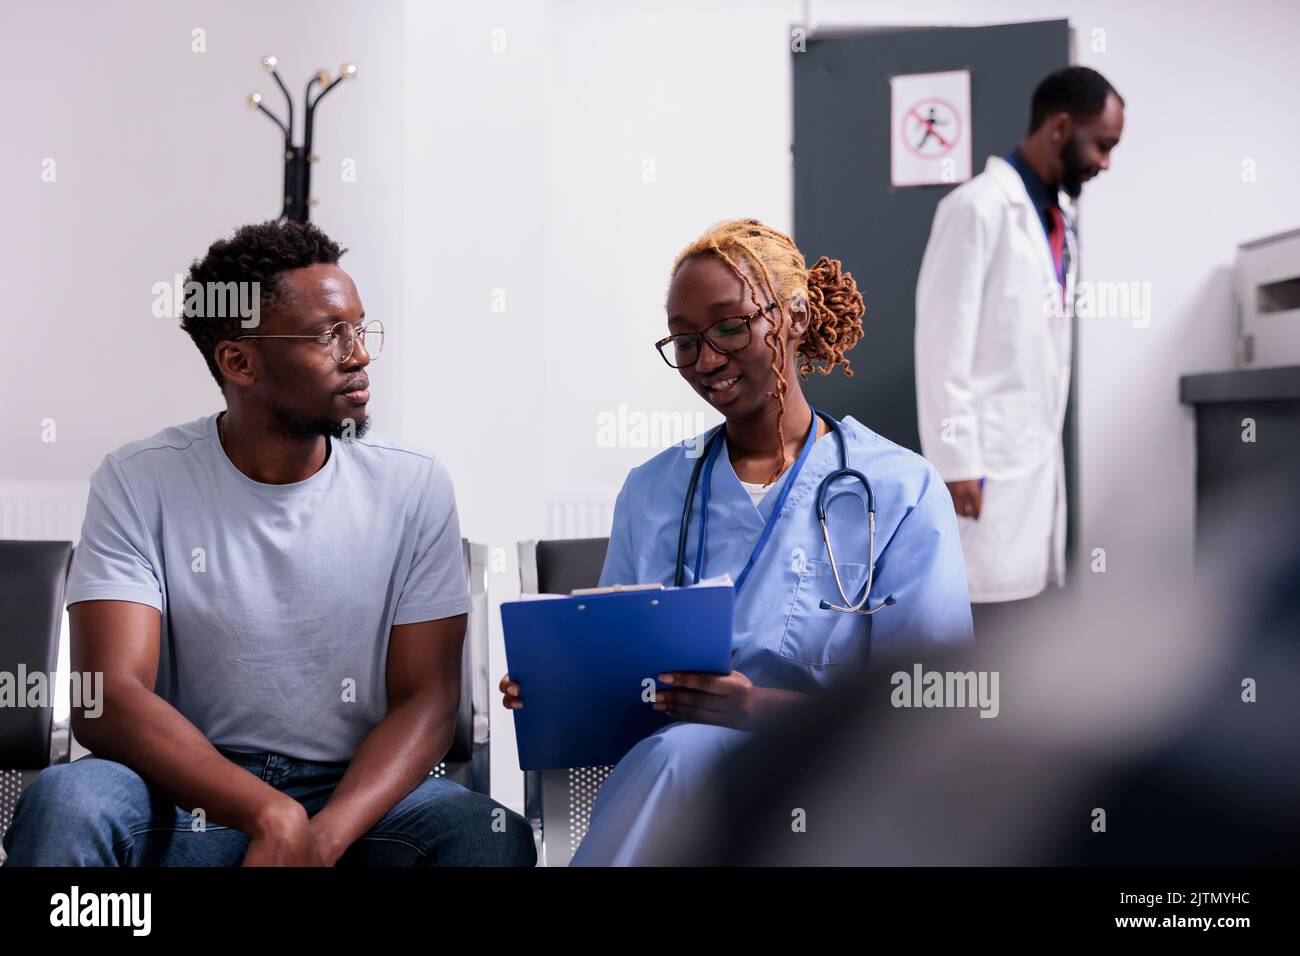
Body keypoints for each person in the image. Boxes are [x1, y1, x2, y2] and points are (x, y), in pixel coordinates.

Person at [2, 221, 535, 867]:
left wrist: (322, 834)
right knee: (67, 802)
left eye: (361, 329)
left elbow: (427, 697)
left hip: (356, 793)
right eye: (328, 335)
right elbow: (109, 697)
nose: (359, 353)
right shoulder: (140, 478)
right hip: (186, 790)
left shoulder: (412, 484)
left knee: (483, 835)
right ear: (239, 361)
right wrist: (268, 813)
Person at [501, 218, 972, 865]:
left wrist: (757, 709)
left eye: (729, 326)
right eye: (686, 341)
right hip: (673, 783)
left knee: (681, 755)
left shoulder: (900, 490)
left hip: (837, 789)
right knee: (677, 754)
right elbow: (613, 674)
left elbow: (931, 706)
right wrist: (555, 686)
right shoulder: (653, 488)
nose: (707, 359)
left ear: (797, 317)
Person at [914, 66, 1124, 629]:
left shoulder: (1057, 219)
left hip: (1030, 464)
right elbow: (941, 343)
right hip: (982, 470)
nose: (1105, 162)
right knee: (983, 626)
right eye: (1102, 144)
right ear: (1060, 126)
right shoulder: (978, 208)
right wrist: (957, 461)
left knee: (1024, 618)